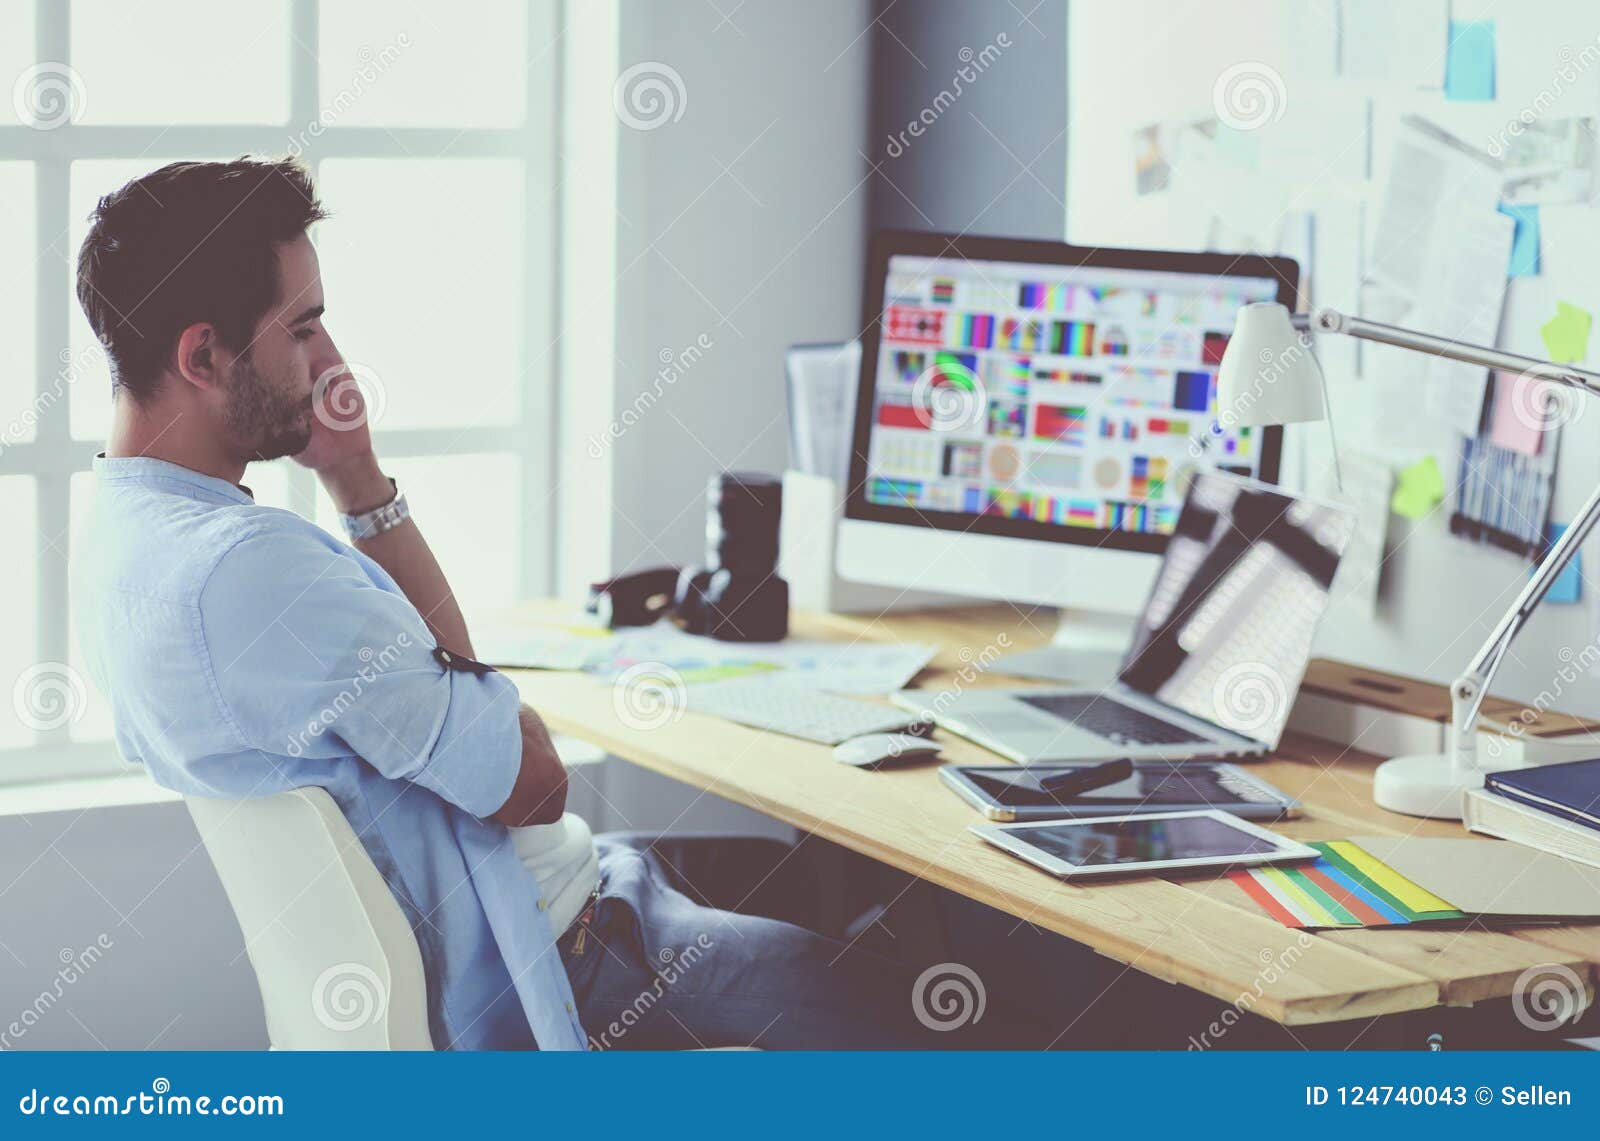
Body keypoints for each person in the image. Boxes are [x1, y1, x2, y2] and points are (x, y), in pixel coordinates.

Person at [70, 157, 1034, 1051]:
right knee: (947, 1012)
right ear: (205, 356)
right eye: (303, 325)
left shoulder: (127, 539)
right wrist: (374, 516)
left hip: (575, 889)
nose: (330, 358)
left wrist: (358, 479)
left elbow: (458, 695)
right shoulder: (255, 573)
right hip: (574, 952)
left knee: (811, 881)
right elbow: (533, 780)